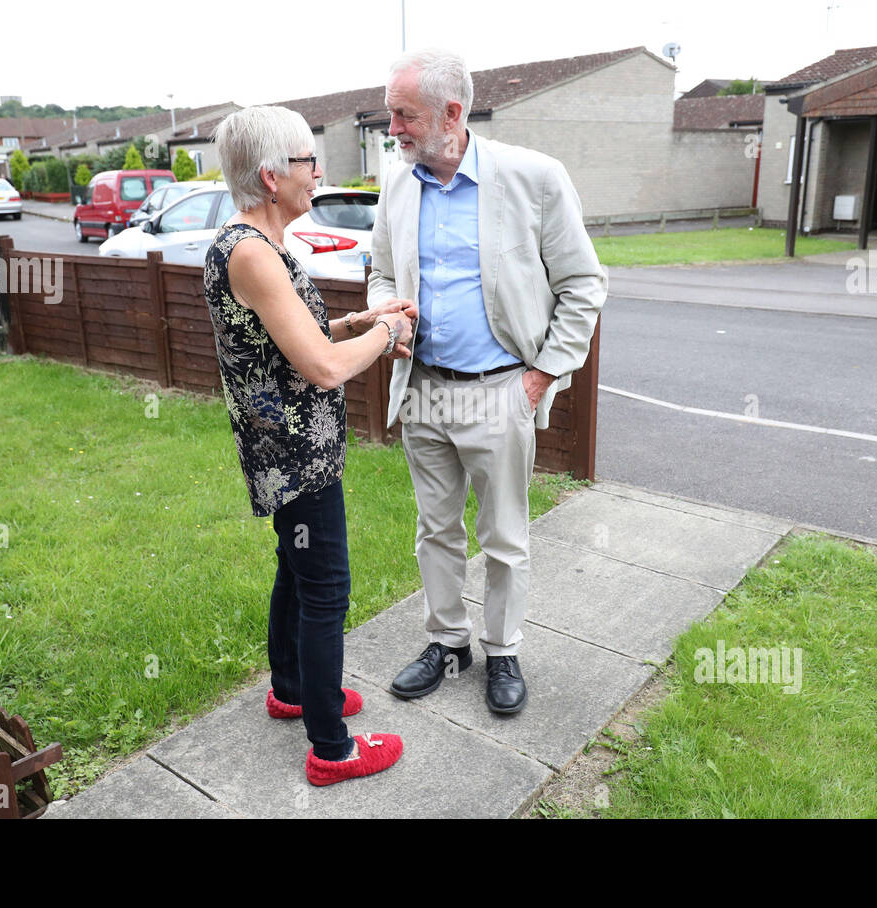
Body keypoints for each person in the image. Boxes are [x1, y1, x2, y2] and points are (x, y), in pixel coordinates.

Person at [368, 50, 607, 715]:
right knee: (435, 529)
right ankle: (448, 643)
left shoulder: (534, 177)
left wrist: (542, 374)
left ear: (453, 112)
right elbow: (382, 272)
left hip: (502, 390)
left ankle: (503, 650)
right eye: (391, 114)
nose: (393, 128)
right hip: (423, 390)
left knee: (504, 537)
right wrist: (390, 312)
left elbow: (584, 285)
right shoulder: (398, 183)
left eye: (403, 114)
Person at [204, 105, 417, 785]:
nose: (318, 172)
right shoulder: (251, 252)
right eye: (307, 162)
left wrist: (362, 317)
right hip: (297, 458)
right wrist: (387, 338)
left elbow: (298, 338)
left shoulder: (257, 245)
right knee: (325, 590)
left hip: (289, 452)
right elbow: (321, 368)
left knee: (295, 574)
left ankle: (291, 691)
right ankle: (332, 748)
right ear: (271, 176)